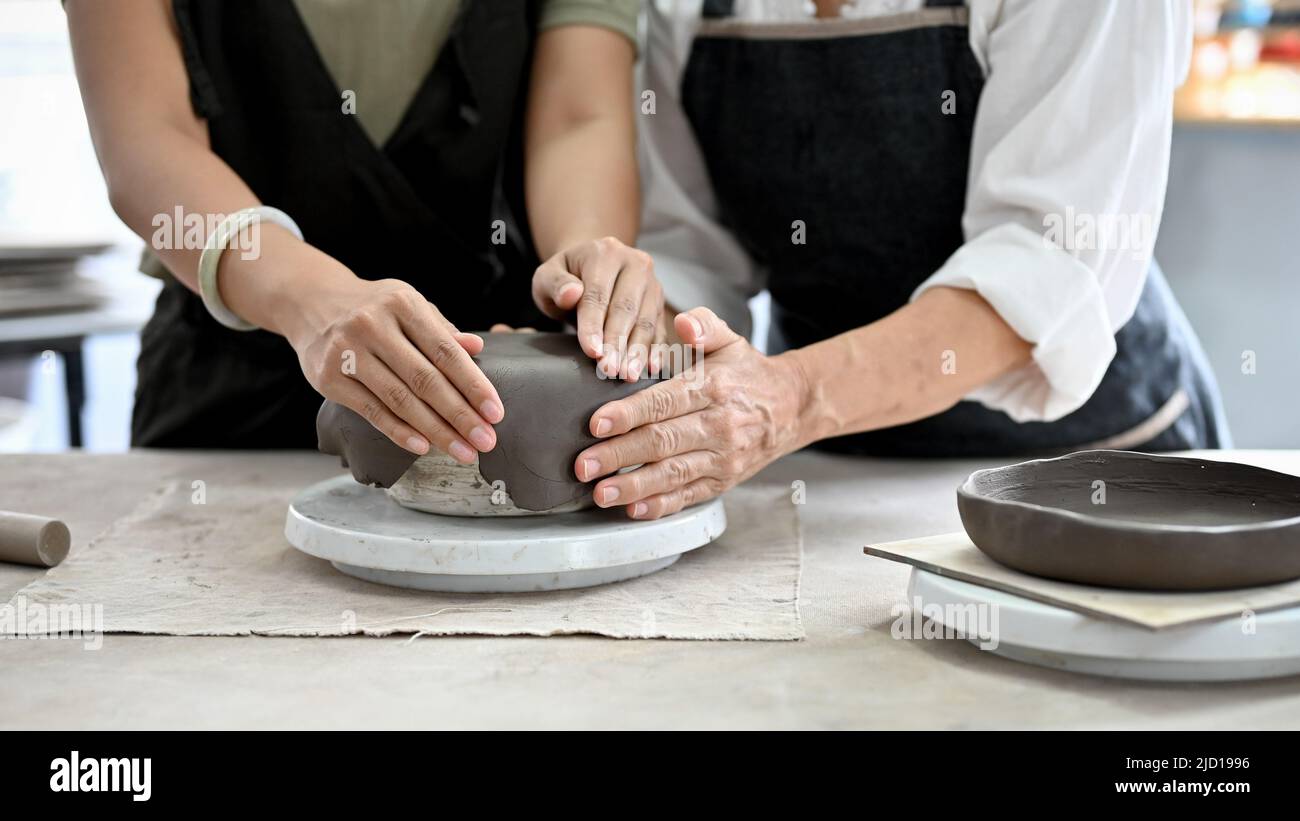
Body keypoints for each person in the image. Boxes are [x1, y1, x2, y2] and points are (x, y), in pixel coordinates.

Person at [574, 0, 1231, 520]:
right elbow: (691, 250)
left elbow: (1042, 261)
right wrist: (640, 333)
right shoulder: (680, 8)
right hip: (831, 478)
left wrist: (788, 397)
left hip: (1087, 476)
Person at [66, 0, 657, 461]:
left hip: (498, 382)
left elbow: (579, 119)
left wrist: (585, 254)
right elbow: (147, 143)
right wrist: (310, 300)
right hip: (231, 386)